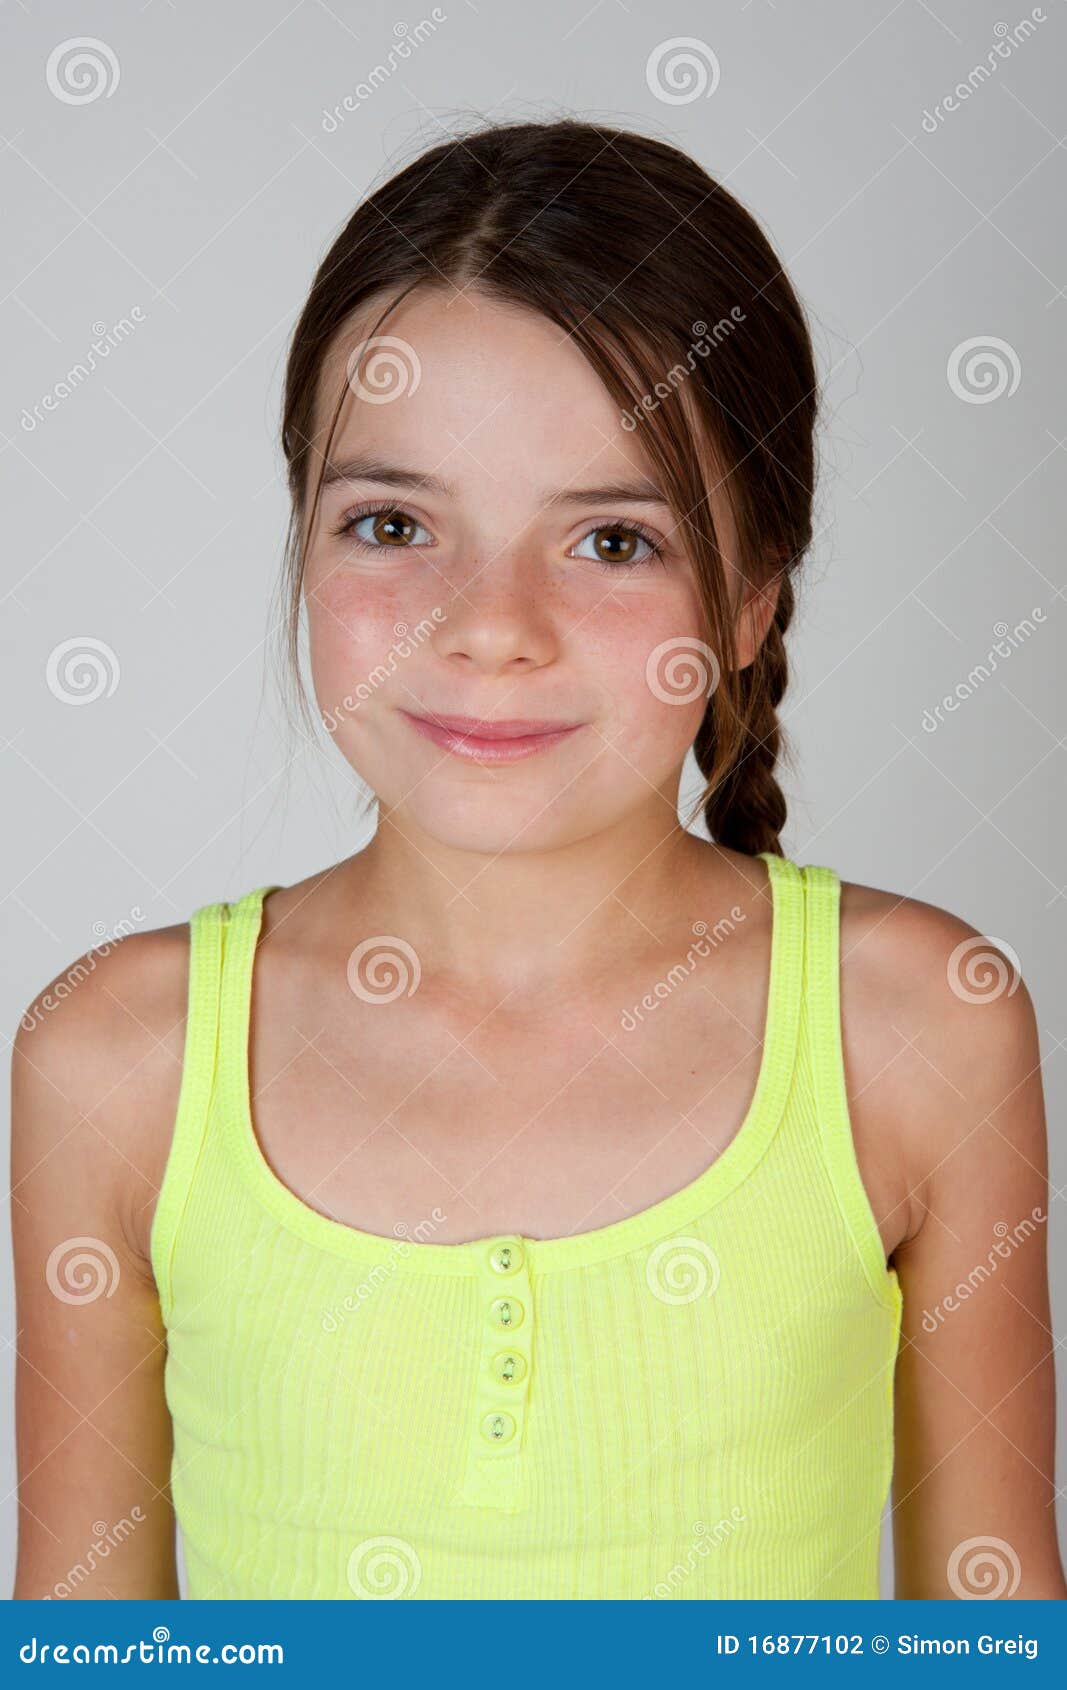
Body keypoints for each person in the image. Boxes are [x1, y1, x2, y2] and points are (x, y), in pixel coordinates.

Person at [12, 118, 1065, 1601]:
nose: (489, 621)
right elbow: (85, 1642)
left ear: (756, 597)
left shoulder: (923, 1026)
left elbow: (991, 1634)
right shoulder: (115, 1057)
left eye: (613, 540)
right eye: (393, 522)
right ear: (303, 544)